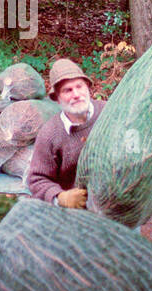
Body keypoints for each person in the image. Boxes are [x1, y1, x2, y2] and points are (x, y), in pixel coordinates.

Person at [26, 57, 104, 207]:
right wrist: (60, 197)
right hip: (78, 209)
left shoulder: (109, 112)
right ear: (57, 98)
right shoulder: (50, 134)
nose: (76, 94)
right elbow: (37, 179)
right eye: (67, 90)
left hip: (116, 202)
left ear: (88, 87)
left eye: (79, 86)